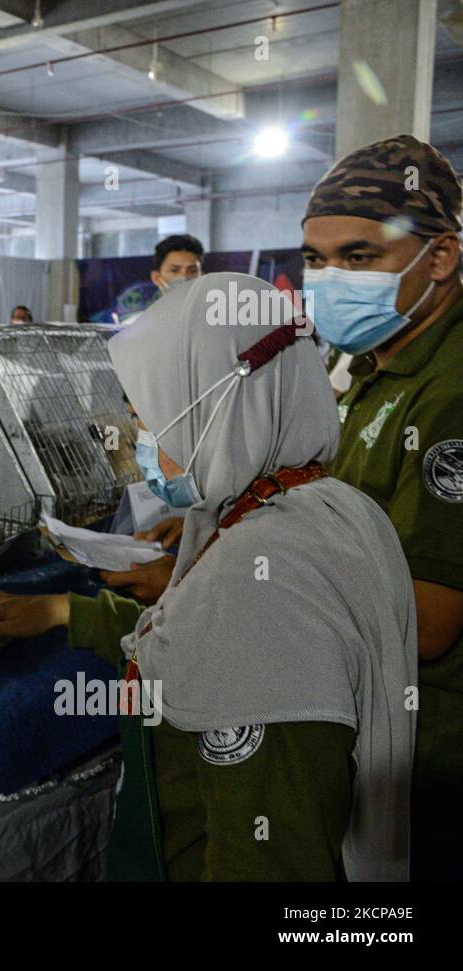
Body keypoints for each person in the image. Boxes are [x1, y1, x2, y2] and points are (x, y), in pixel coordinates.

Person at [0, 273, 417, 881]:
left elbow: (267, 861)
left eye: (151, 419)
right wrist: (71, 612)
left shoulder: (258, 585)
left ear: (223, 408)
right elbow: (196, 642)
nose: (143, 442)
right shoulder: (322, 508)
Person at [301, 134, 463, 880]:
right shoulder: (378, 361)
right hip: (373, 726)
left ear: (441, 258)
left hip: (431, 757)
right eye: (315, 259)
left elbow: (425, 619)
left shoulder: (452, 392)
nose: (330, 279)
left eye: (359, 257)